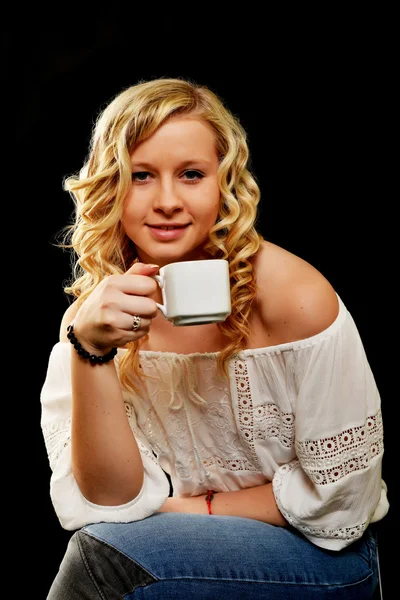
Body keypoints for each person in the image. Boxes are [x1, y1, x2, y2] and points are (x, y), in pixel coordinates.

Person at [40, 76, 389, 599]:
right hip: (179, 554)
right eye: (140, 175)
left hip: (323, 560)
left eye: (191, 175)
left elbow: (343, 497)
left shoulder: (293, 295)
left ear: (223, 183)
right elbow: (111, 505)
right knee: (106, 549)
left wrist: (190, 510)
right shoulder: (101, 313)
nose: (167, 201)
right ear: (111, 185)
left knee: (102, 563)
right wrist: (89, 350)